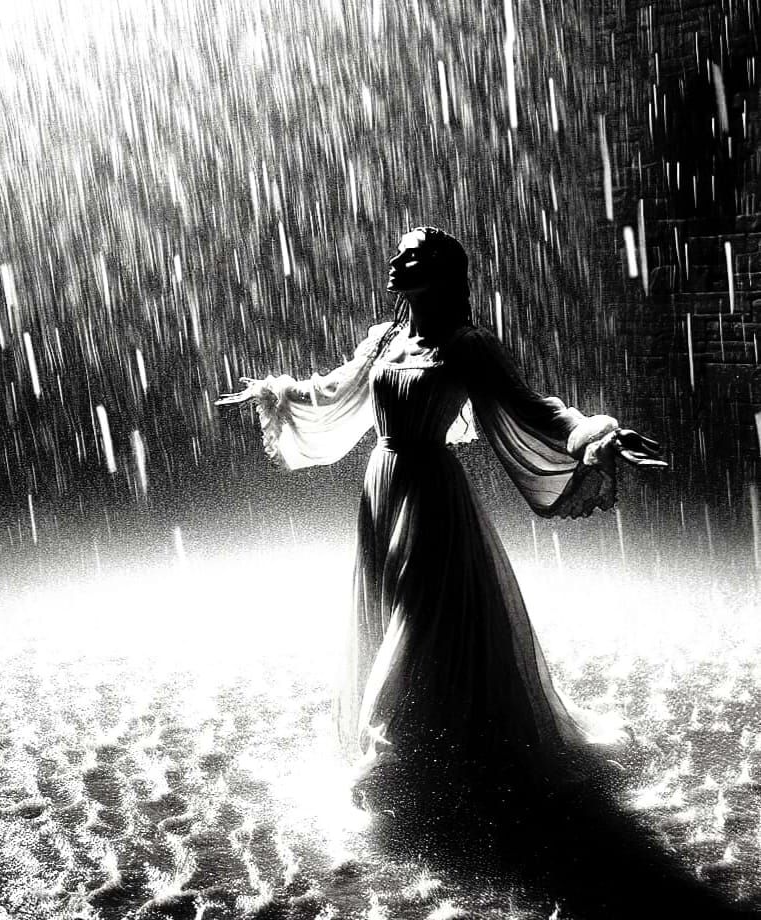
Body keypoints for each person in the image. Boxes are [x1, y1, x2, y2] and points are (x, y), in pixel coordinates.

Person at [217, 227, 666, 802]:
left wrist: (595, 436)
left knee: (422, 619)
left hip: (431, 493)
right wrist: (278, 394)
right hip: (381, 486)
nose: (395, 260)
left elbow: (532, 407)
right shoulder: (383, 341)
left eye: (411, 255)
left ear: (441, 272)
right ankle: (426, 742)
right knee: (391, 609)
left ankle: (396, 756)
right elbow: (334, 389)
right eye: (398, 252)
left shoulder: (466, 344)